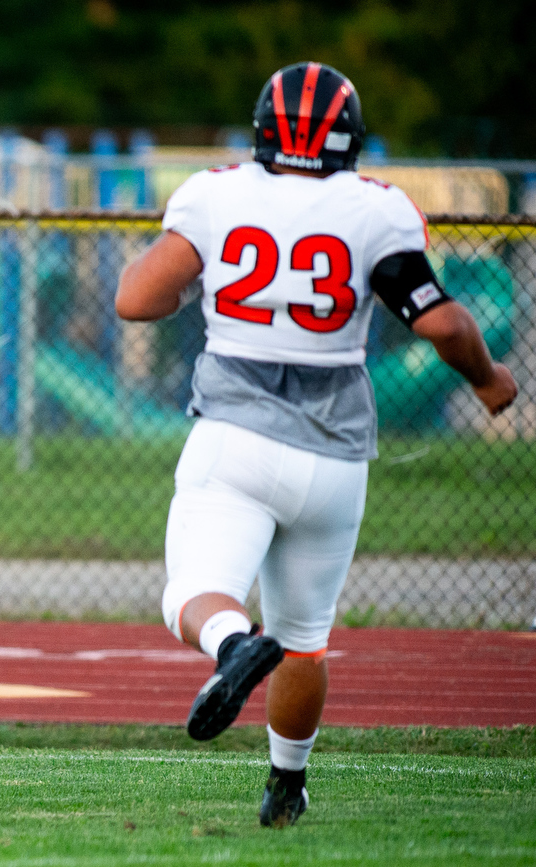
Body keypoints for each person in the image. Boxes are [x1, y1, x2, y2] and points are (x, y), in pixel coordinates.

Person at [115, 62, 517, 826]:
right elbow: (441, 323)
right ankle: (286, 784)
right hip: (334, 453)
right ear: (350, 139)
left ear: (263, 129)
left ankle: (233, 645)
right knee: (304, 640)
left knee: (193, 596)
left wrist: (185, 289)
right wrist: (488, 377)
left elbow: (136, 298)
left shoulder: (216, 192)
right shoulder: (376, 210)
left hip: (235, 433)